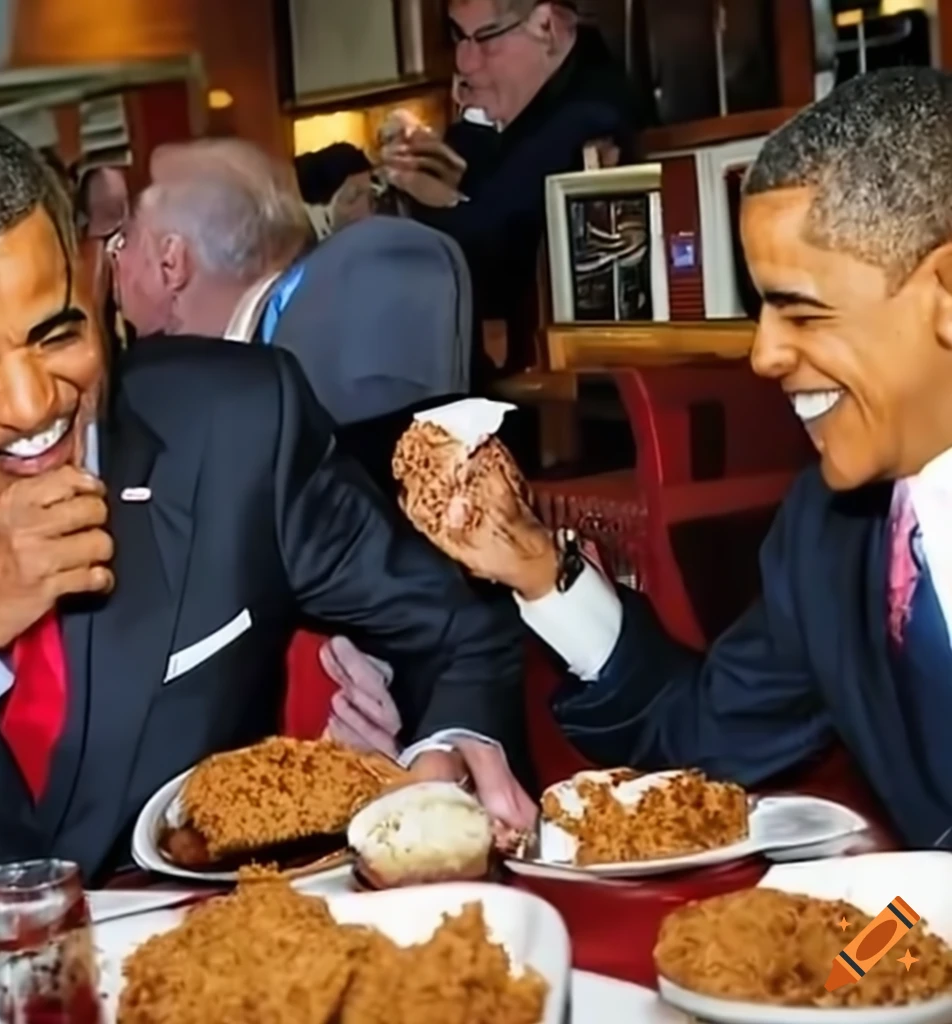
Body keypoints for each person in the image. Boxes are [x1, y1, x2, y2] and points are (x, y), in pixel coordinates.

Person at [0, 113, 534, 959]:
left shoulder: (242, 425)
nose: (33, 406)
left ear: (100, 279)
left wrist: (442, 745)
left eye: (57, 332)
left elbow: (459, 631)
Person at [391, 67, 952, 852]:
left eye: (801, 309)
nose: (763, 353)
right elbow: (704, 743)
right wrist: (534, 567)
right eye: (759, 306)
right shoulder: (830, 531)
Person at [113, 141, 473, 426]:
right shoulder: (192, 383)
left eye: (124, 238)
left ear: (170, 262)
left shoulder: (363, 273)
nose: (114, 261)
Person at [381, 0, 639, 376]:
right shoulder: (544, 110)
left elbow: (495, 262)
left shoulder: (590, 115)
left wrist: (441, 201)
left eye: (485, 38)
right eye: (459, 38)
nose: (465, 62)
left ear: (546, 26)